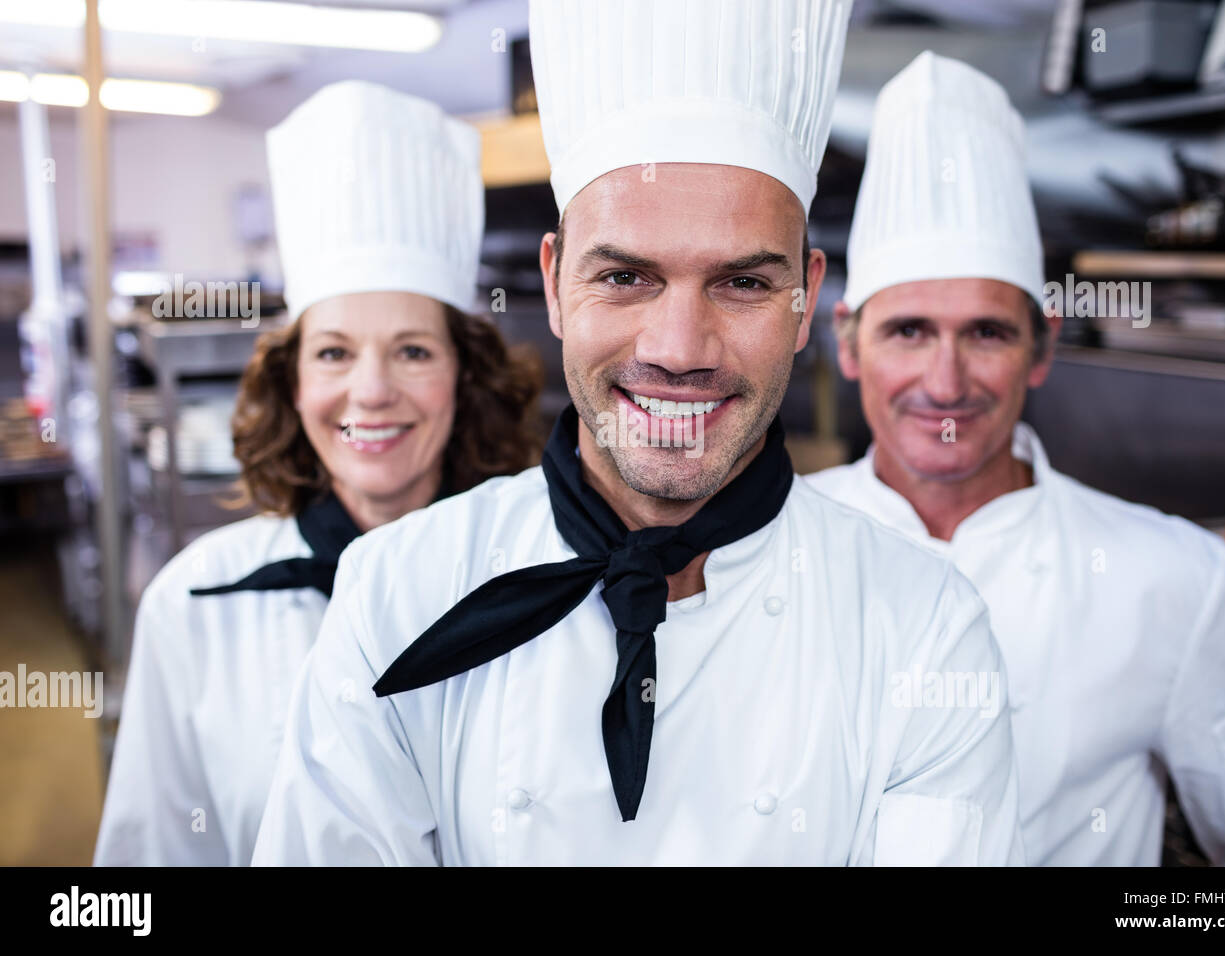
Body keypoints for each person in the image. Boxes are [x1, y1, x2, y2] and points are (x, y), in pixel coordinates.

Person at [252, 0, 1023, 867]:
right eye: (624, 276)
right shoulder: (393, 594)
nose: (678, 350)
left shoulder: (924, 625)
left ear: (808, 296)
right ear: (552, 283)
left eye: (741, 283)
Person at [806, 50, 1225, 866]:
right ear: (848, 342)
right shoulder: (757, 555)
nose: (946, 380)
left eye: (987, 333)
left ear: (1042, 348)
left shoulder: (1176, 581)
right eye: (909, 331)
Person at [94, 81, 542, 866]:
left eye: (412, 351)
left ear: (463, 378)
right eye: (334, 352)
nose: (370, 391)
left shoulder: (546, 585)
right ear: (292, 382)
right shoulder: (193, 606)